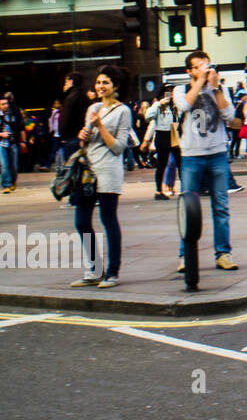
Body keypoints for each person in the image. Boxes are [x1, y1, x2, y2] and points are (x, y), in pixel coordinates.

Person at [68, 66, 133, 289]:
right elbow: (85, 142)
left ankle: (112, 273)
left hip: (109, 172)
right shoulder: (93, 108)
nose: (100, 86)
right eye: (98, 82)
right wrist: (82, 135)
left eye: (105, 82)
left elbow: (118, 147)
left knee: (108, 220)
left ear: (115, 85)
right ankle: (94, 270)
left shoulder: (123, 111)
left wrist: (100, 126)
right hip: (88, 172)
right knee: (81, 221)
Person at [174, 52, 239, 272]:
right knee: (188, 207)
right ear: (189, 71)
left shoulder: (219, 88)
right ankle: (186, 255)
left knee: (220, 206)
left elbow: (230, 115)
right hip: (191, 155)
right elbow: (183, 106)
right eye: (198, 66)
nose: (204, 68)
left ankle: (223, 253)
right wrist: (201, 81)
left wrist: (216, 88)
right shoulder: (180, 90)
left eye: (206, 64)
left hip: (217, 153)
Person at [146, 90, 181, 200]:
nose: (170, 95)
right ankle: (159, 190)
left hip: (174, 133)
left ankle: (185, 189)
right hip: (162, 135)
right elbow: (148, 117)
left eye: (171, 93)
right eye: (168, 93)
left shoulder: (175, 105)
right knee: (162, 164)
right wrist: (158, 104)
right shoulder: (158, 105)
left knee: (180, 163)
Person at [58, 72, 89, 166]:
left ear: (71, 81)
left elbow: (66, 120)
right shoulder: (85, 97)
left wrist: (63, 137)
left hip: (71, 139)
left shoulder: (70, 98)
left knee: (71, 168)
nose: (64, 85)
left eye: (65, 82)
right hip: (83, 137)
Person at [0, 96, 24, 193]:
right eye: (3, 104)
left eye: (6, 103)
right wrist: (2, 134)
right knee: (4, 165)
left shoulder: (13, 113)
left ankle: (13, 180)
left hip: (13, 142)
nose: (6, 106)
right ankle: (6, 185)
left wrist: (23, 141)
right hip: (1, 143)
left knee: (14, 166)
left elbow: (20, 127)